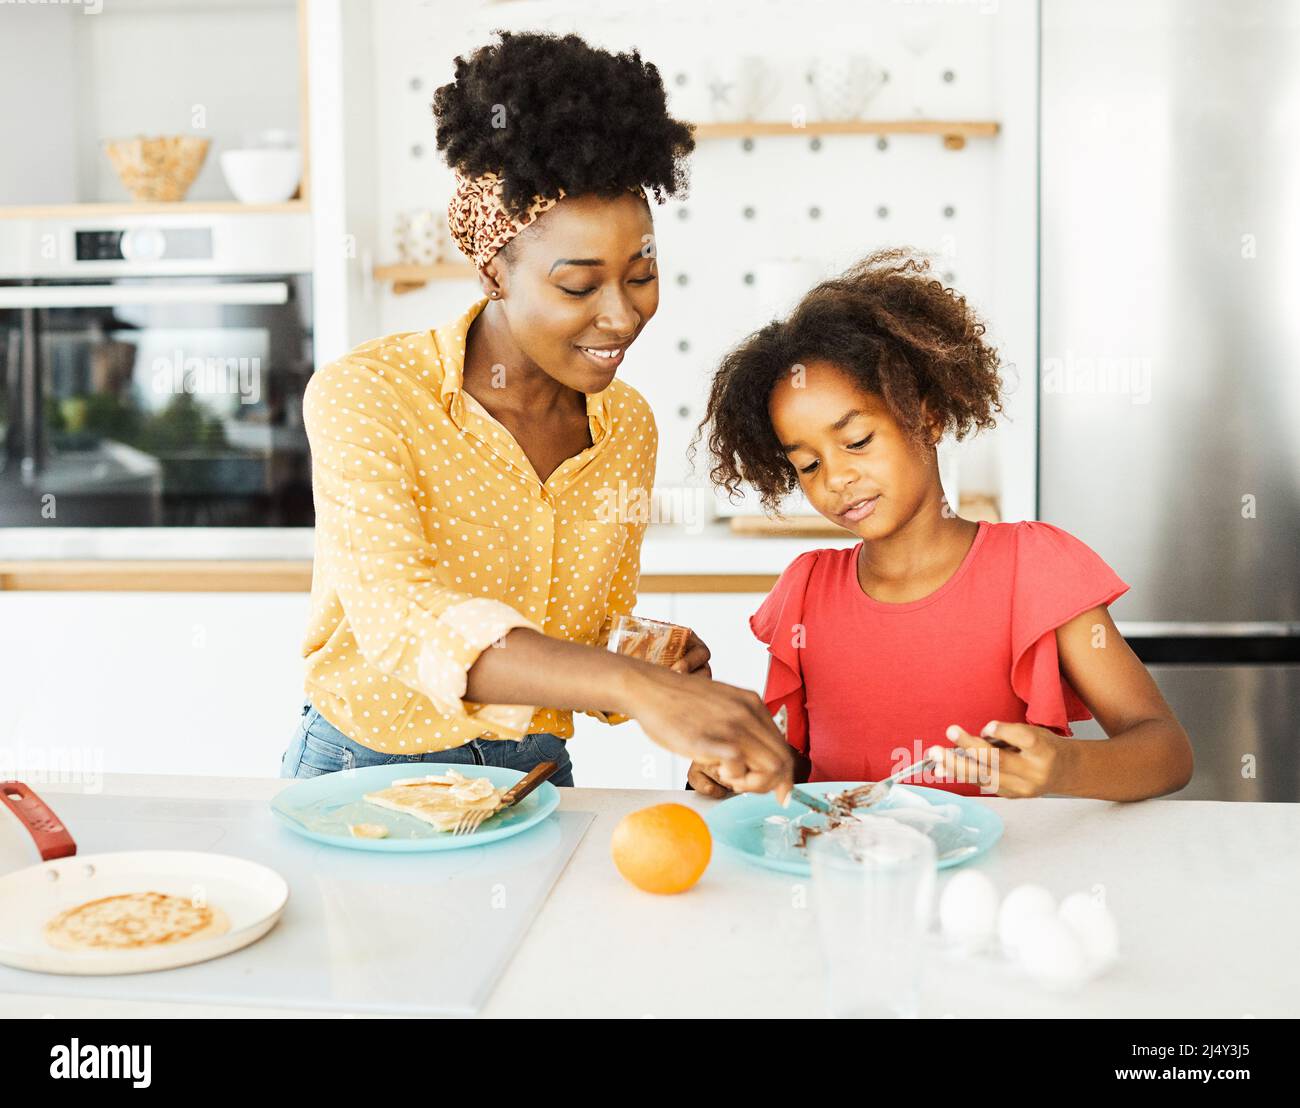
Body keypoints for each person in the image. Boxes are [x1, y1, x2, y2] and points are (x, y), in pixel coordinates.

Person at [282, 31, 792, 799]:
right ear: (494, 271)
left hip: (535, 774)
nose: (621, 317)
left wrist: (661, 663)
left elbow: (585, 631)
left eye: (641, 274)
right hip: (364, 771)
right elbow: (402, 619)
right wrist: (633, 687)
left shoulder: (626, 427)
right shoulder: (371, 395)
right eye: (579, 286)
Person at [689, 249, 1193, 801]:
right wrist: (738, 771)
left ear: (925, 416)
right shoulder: (805, 590)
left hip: (999, 877)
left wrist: (1065, 767)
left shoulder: (1034, 568)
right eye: (808, 464)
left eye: (857, 441)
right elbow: (797, 767)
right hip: (844, 873)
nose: (836, 477)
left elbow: (1166, 751)